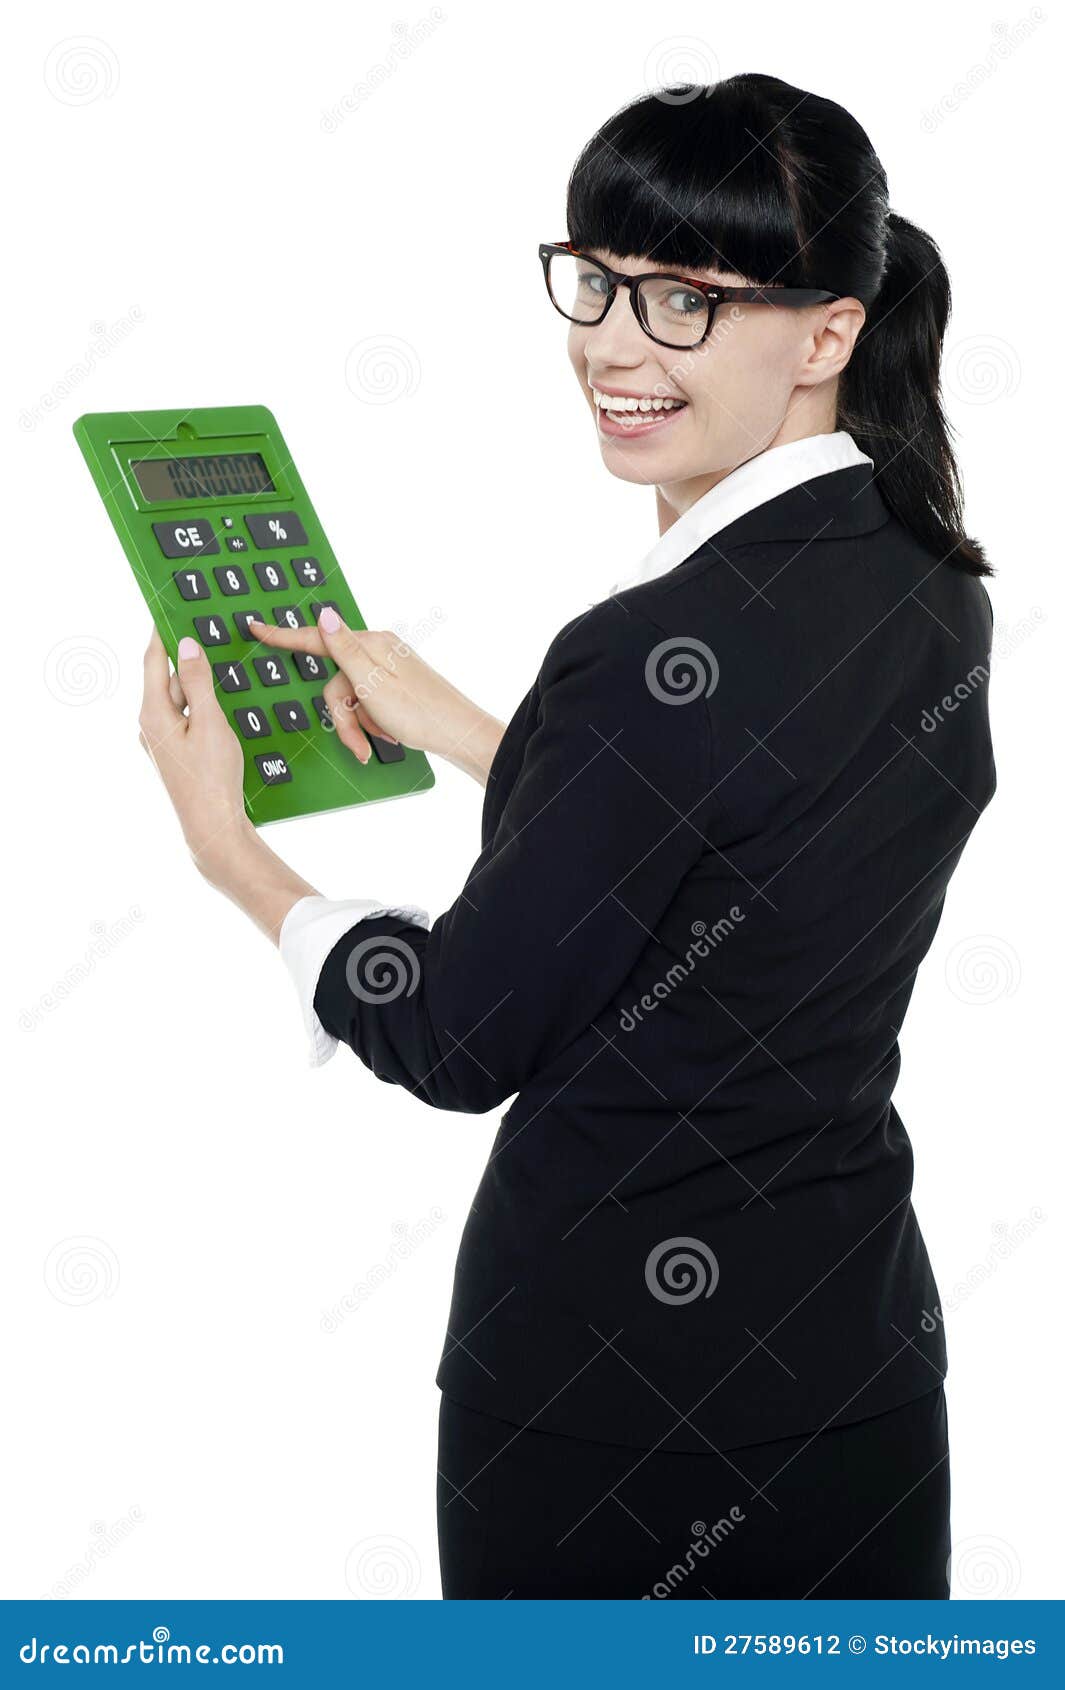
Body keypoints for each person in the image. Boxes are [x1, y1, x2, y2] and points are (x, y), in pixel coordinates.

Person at [137, 72, 996, 1598]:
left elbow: (457, 1033)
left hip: (607, 1416)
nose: (609, 342)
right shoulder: (922, 573)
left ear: (825, 334)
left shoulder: (643, 658)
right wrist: (482, 728)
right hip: (851, 1382)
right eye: (594, 278)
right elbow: (744, 836)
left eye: (683, 300)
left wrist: (235, 854)